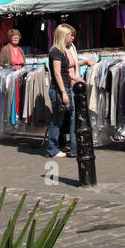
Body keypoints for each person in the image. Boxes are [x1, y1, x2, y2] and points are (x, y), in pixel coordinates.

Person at [43, 23, 77, 158]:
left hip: (66, 87)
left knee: (72, 118)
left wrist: (77, 79)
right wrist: (63, 92)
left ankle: (74, 147)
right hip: (59, 89)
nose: (72, 38)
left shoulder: (62, 51)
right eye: (70, 35)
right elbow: (57, 74)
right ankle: (52, 148)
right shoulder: (56, 51)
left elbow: (65, 72)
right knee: (57, 119)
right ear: (63, 36)